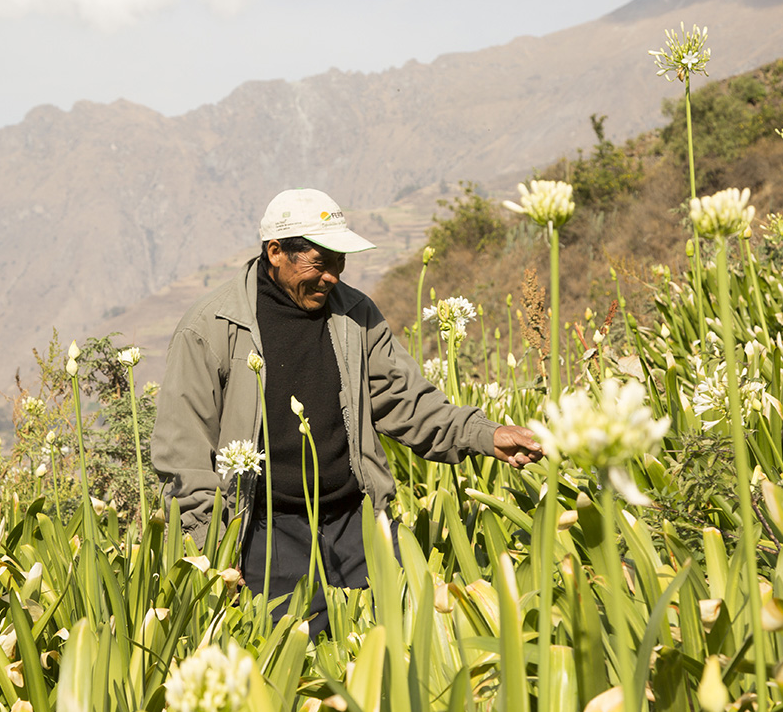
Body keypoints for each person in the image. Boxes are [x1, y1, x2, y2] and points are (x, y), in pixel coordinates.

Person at [151, 188, 543, 634]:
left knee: (399, 651)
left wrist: (485, 434)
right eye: (320, 263)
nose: (333, 277)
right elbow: (183, 454)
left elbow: (407, 402)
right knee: (294, 673)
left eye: (339, 262)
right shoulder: (212, 328)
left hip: (355, 525)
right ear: (275, 252)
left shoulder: (355, 316)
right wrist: (209, 552)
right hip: (264, 535)